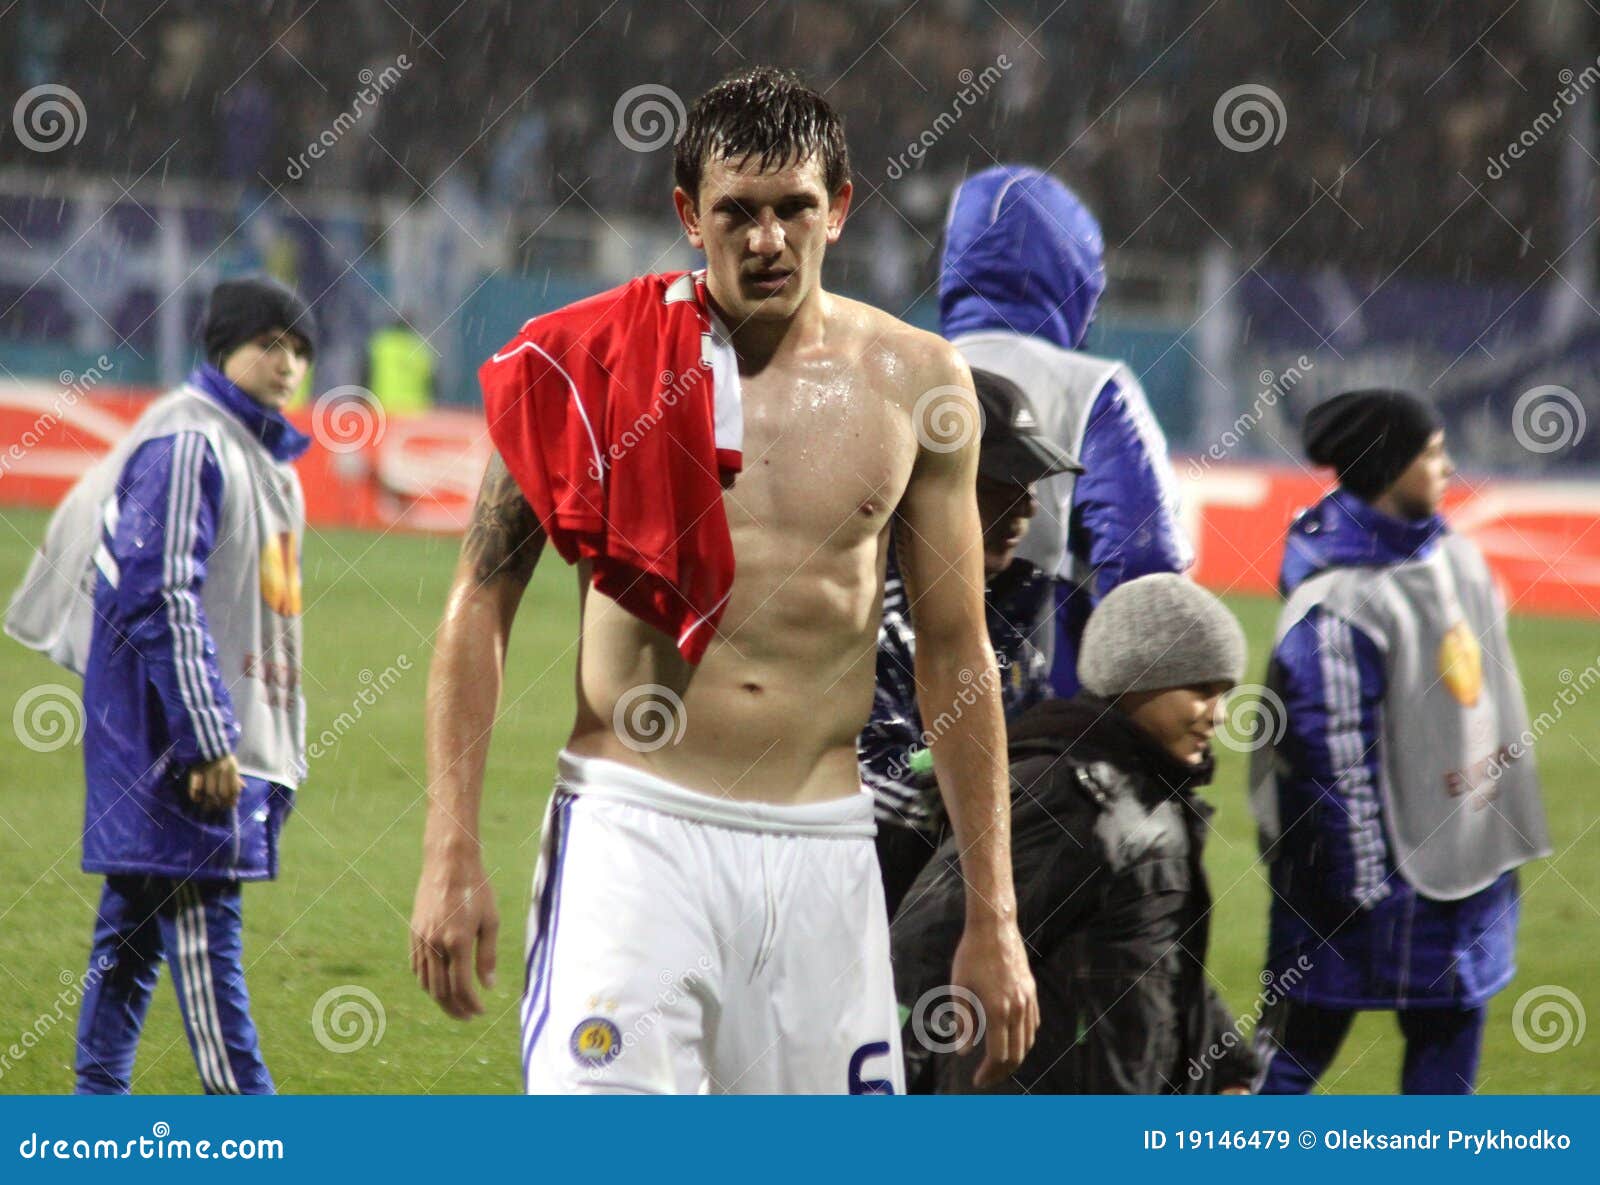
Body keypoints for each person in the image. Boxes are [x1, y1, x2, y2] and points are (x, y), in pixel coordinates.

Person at [408, 67, 1037, 1095]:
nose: (766, 240)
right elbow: (481, 596)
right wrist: (450, 846)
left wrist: (993, 913)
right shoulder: (584, 364)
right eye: (734, 212)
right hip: (632, 831)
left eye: (793, 208)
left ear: (839, 207)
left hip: (827, 853)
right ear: (685, 217)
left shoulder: (920, 383)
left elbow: (956, 651)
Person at [6, 276, 316, 1094]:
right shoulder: (191, 444)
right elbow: (157, 592)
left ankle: (90, 1119)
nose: (287, 361)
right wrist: (208, 735)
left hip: (200, 746)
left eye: (299, 346)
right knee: (210, 970)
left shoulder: (262, 457)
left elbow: (263, 617)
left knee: (131, 942)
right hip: (179, 756)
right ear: (224, 350)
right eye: (269, 343)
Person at [1250, 389, 1551, 1095]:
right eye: (1432, 452)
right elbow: (1333, 752)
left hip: (1463, 876)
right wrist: (1363, 887)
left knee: (1447, 1056)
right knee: (1293, 1054)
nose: (1449, 466)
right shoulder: (1337, 600)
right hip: (1355, 885)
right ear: (1388, 468)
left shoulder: (1456, 553)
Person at [891, 573, 1259, 1094]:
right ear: (1136, 678)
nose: (1218, 717)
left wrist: (1225, 1067)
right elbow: (925, 944)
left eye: (1225, 694)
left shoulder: (1152, 792)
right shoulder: (1066, 796)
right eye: (1201, 691)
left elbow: (1161, 956)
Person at [939, 164, 1192, 698]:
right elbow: (1145, 563)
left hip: (898, 711)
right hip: (1044, 728)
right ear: (1074, 272)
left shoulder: (900, 368)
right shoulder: (1096, 389)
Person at [860, 369, 1079, 915]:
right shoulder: (861, 614)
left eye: (1032, 484)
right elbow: (860, 786)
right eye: (999, 483)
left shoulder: (1015, 615)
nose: (1027, 507)